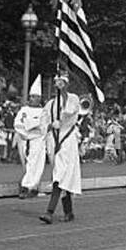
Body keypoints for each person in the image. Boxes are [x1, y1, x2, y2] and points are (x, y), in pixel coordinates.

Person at [40, 85, 84, 224]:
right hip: (54, 142)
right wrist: (50, 125)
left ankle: (49, 212)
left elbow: (71, 113)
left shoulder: (73, 99)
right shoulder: (50, 104)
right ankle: (68, 211)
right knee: (62, 177)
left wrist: (62, 121)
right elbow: (43, 121)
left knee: (59, 176)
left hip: (68, 143)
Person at [14, 82, 49, 199]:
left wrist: (37, 127)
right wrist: (28, 131)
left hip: (40, 140)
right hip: (27, 139)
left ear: (39, 98)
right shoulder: (24, 110)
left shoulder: (44, 111)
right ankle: (25, 186)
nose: (32, 99)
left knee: (38, 164)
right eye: (31, 96)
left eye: (35, 97)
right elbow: (18, 123)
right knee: (30, 163)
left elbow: (45, 126)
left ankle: (33, 187)